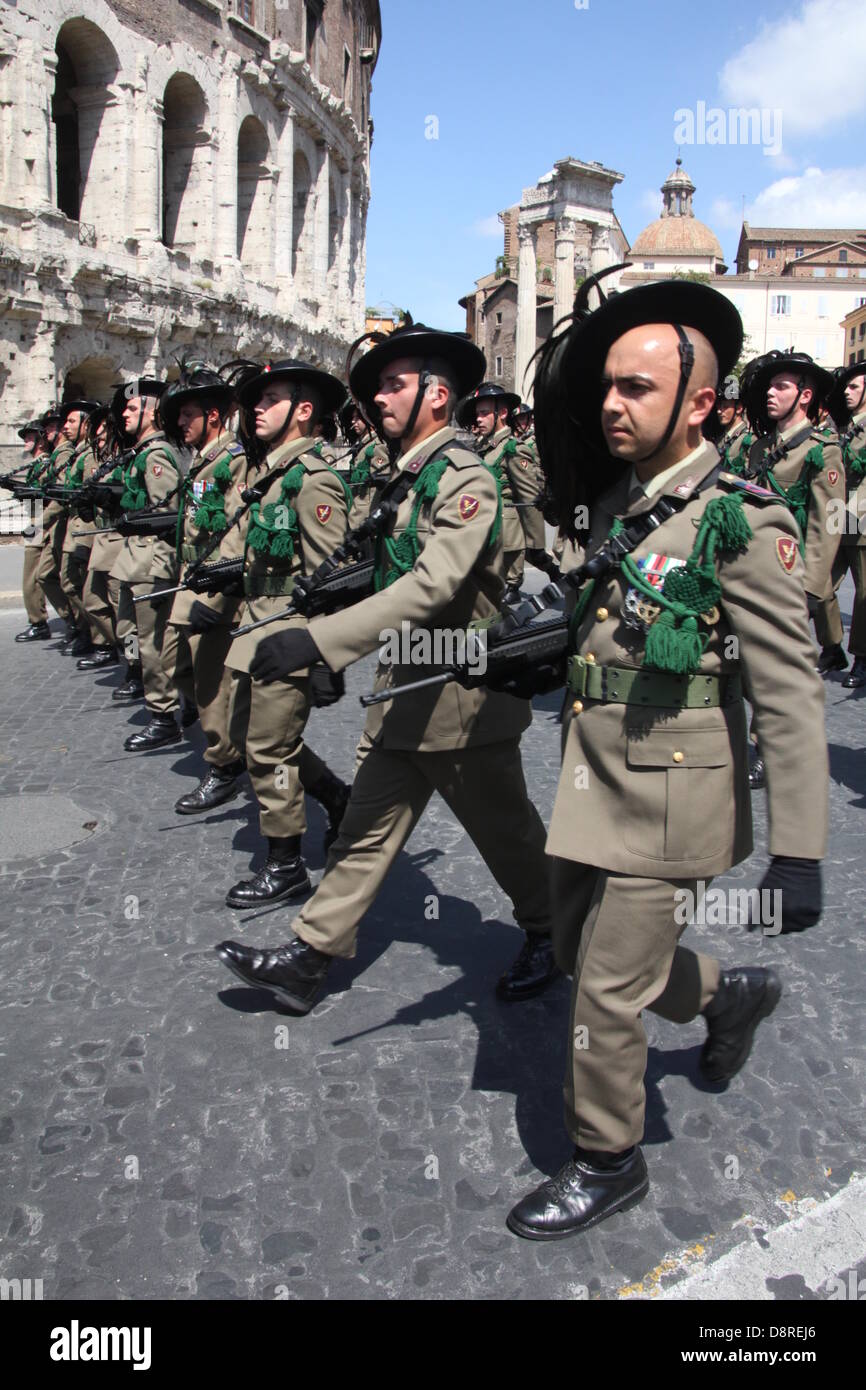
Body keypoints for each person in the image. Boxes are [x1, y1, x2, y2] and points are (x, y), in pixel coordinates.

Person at [503, 278, 826, 1241]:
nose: (611, 404)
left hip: (676, 796)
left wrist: (798, 851)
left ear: (698, 404)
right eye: (607, 386)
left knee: (603, 986)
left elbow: (790, 692)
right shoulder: (616, 499)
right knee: (579, 951)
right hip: (590, 775)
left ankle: (609, 1158)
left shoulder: (743, 518)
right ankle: (729, 994)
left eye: (637, 389)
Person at [215, 323, 558, 1011]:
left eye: (395, 383)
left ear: (438, 395)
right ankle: (309, 957)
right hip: (406, 687)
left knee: (509, 836)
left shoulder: (464, 476)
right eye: (378, 386)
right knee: (365, 833)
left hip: (463, 696)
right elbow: (377, 576)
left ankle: (556, 930)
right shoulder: (406, 476)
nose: (379, 395)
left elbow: (431, 585)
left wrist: (321, 643)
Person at [189, 359, 352, 907]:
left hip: (289, 634)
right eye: (254, 401)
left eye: (270, 399)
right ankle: (335, 794)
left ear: (303, 411)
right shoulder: (272, 476)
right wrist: (223, 571)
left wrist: (327, 655)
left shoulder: (314, 479)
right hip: (254, 629)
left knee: (268, 752)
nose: (255, 408)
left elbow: (330, 576)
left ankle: (285, 863)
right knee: (254, 737)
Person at [159, 362, 248, 814]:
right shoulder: (205, 459)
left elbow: (234, 531)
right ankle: (237, 741)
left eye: (188, 413)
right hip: (190, 580)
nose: (180, 422)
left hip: (213, 589)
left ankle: (225, 766)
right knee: (176, 667)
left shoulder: (233, 460)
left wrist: (217, 599)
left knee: (212, 682)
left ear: (213, 416)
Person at [108, 378, 185, 748]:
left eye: (132, 408)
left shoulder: (157, 456)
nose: (124, 412)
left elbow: (167, 513)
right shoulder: (141, 453)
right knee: (129, 632)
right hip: (132, 557)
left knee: (152, 642)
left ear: (152, 414)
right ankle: (152, 685)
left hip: (151, 560)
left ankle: (164, 714)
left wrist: (136, 520)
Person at [457, 382, 548, 602]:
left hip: (506, 537)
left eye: (485, 413)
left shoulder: (512, 449)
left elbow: (529, 500)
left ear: (503, 413)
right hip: (483, 533)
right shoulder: (484, 446)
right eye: (478, 413)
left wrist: (536, 546)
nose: (478, 418)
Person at [814, 363, 866, 688]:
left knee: (864, 596)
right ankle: (833, 646)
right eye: (845, 387)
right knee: (821, 587)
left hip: (862, 520)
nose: (846, 391)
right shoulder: (845, 429)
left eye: (854, 387)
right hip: (838, 516)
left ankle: (862, 658)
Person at [12, 417, 52, 642]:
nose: (26, 440)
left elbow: (45, 495)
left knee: (32, 579)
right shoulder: (35, 464)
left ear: (40, 440)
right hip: (35, 519)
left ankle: (38, 623)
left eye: (29, 436)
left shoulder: (44, 464)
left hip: (41, 522)